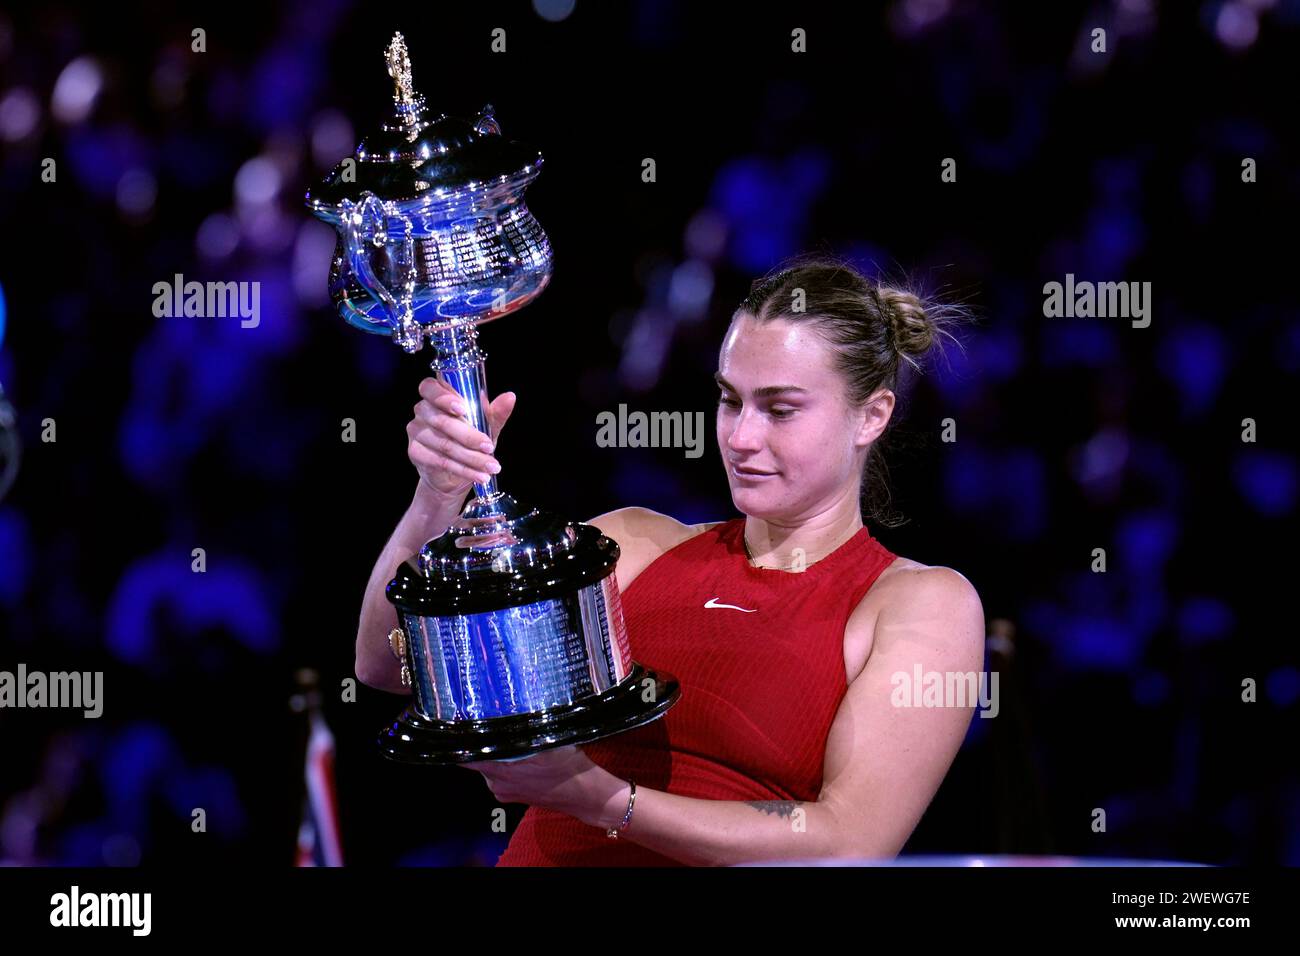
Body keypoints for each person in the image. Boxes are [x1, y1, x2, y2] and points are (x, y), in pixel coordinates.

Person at [355, 255, 986, 866]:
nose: (741, 438)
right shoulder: (630, 548)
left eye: (781, 409)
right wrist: (438, 494)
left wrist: (601, 799)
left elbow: (847, 842)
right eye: (731, 400)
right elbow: (389, 662)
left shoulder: (916, 603)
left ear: (872, 414)